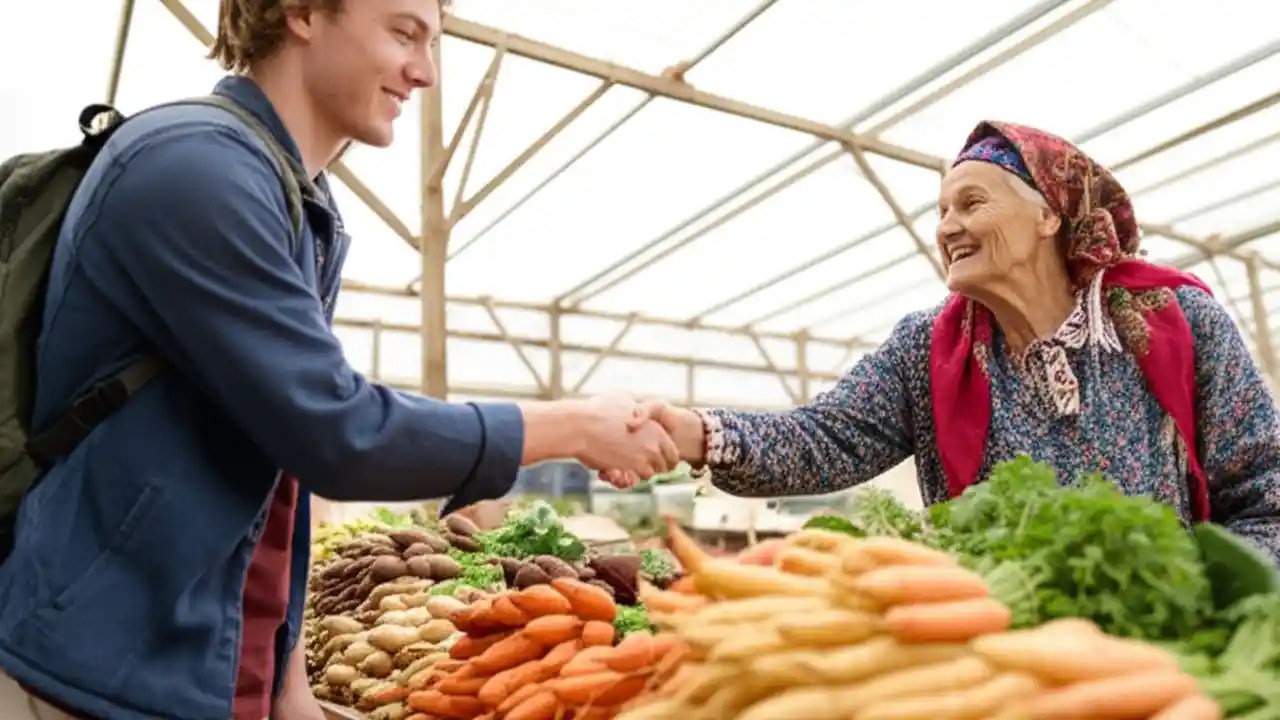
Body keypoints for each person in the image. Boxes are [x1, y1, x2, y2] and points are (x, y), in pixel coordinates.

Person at [0, 1, 673, 718]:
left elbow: (277, 469)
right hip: (93, 676)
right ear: (302, 12)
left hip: (200, 676)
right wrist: (572, 426)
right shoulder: (193, 169)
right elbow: (337, 433)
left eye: (432, 41)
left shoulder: (298, 199)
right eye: (403, 32)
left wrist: (285, 680)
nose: (426, 71)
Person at [612, 120, 1280, 564]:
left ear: (1049, 213)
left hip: (1162, 650)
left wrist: (1213, 609)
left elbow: (1264, 492)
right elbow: (824, 439)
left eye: (970, 203)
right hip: (990, 653)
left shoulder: (1171, 323)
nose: (947, 228)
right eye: (940, 212)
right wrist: (693, 431)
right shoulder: (925, 350)